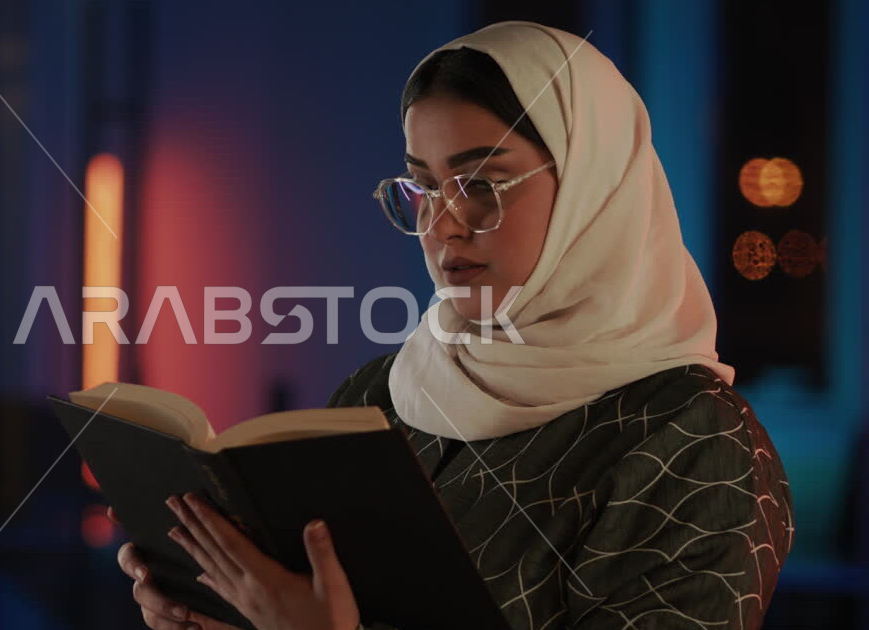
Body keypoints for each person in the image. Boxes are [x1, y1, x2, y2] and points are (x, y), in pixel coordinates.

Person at [113, 21, 794, 630]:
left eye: (480, 185)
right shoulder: (379, 396)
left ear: (593, 190)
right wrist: (215, 609)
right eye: (425, 188)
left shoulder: (694, 442)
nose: (442, 226)